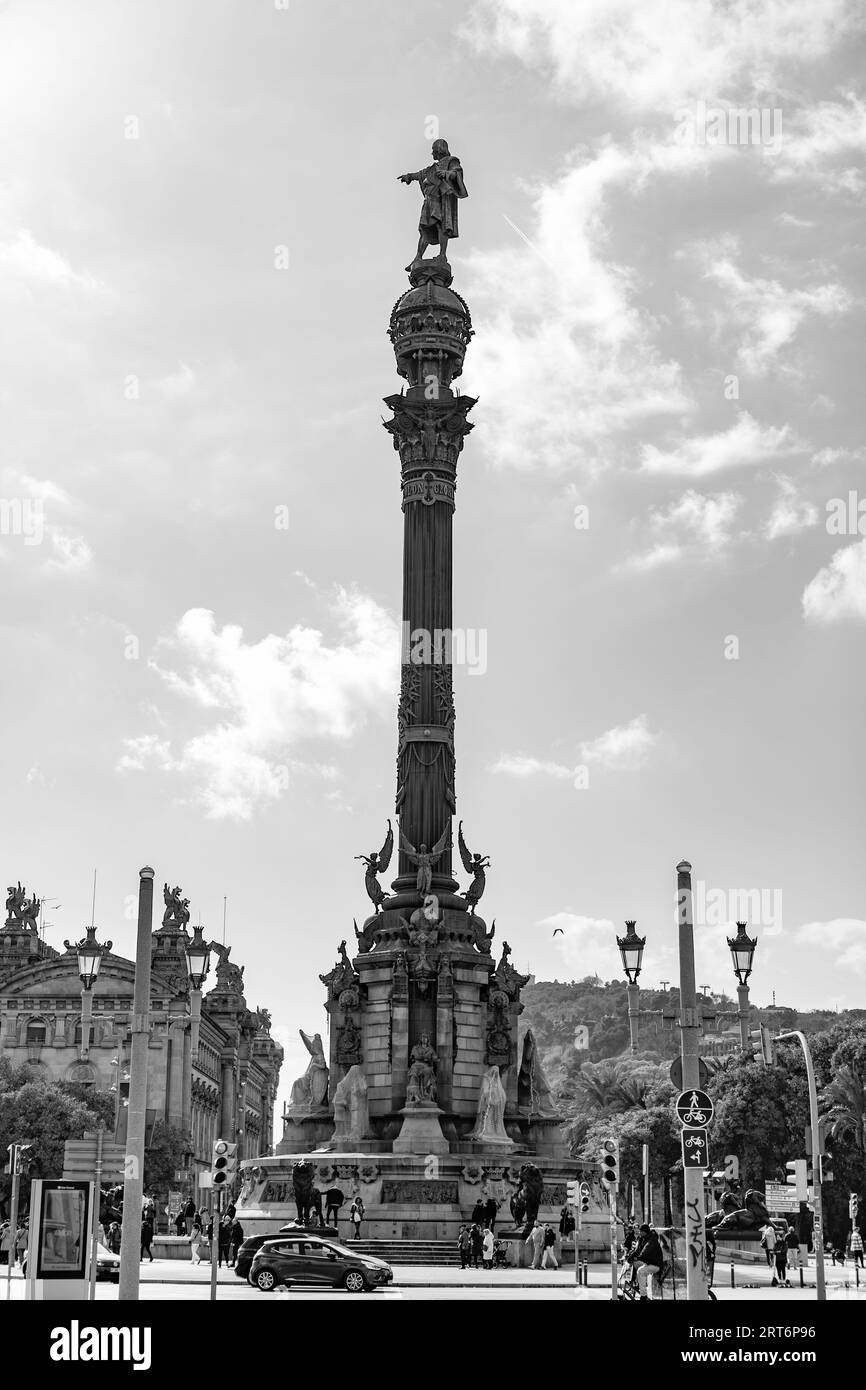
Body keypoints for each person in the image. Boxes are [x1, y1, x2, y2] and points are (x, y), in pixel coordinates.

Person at [634, 1223, 663, 1300]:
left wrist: (639, 1257)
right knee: (639, 1269)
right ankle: (639, 1285)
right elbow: (638, 1250)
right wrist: (630, 1258)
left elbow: (646, 1249)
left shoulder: (652, 1239)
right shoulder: (644, 1238)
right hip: (650, 1263)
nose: (639, 1233)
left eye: (641, 1231)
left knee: (641, 1271)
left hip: (656, 1265)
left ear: (645, 1232)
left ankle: (643, 1296)